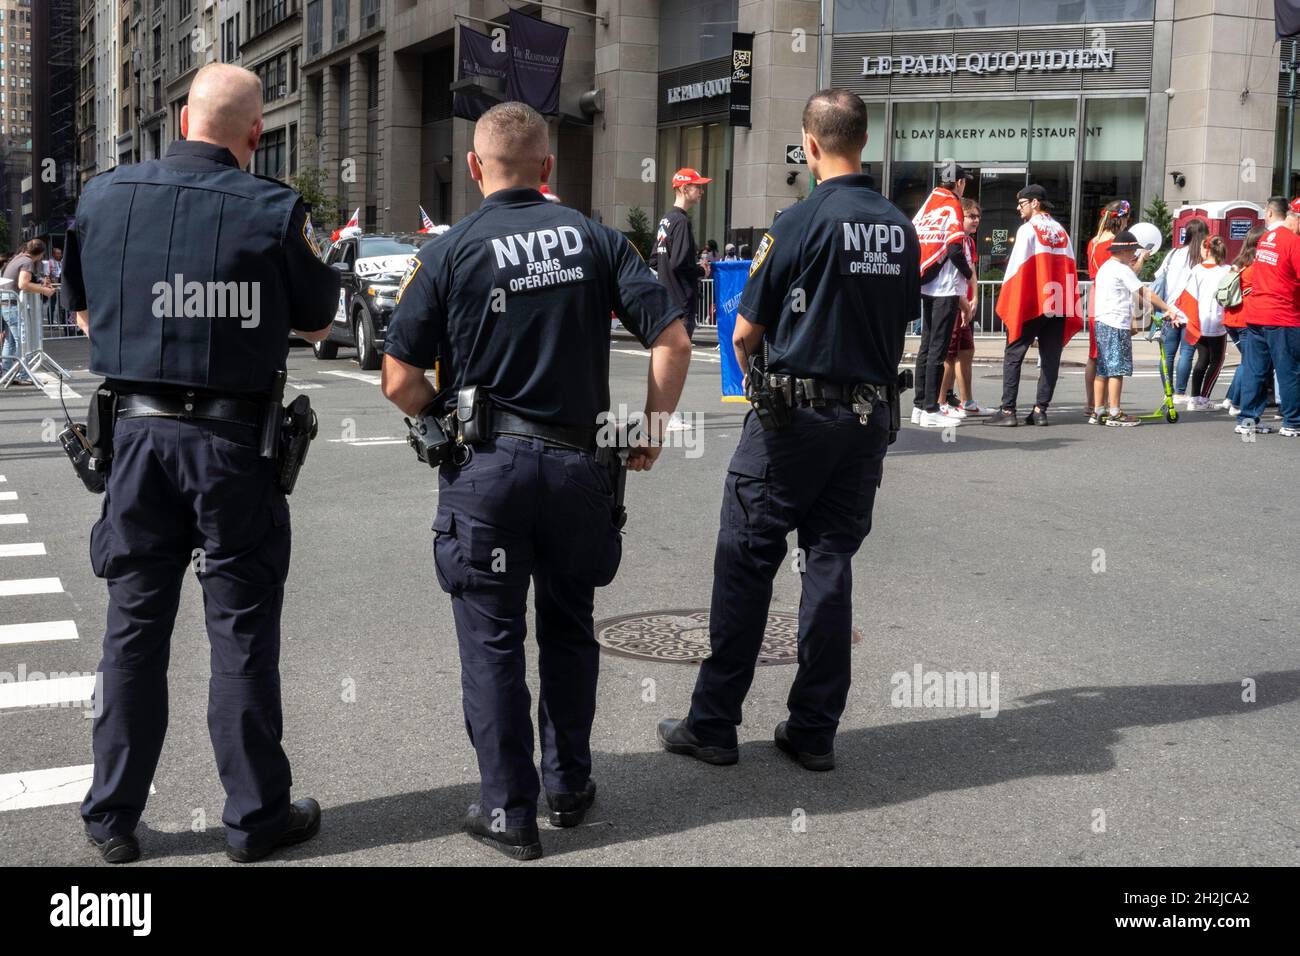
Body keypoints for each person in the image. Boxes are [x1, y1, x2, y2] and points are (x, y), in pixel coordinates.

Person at [381, 101, 692, 861]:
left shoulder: (451, 249)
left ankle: (507, 812)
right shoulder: (594, 238)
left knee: (491, 642)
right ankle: (571, 786)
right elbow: (674, 339)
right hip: (580, 470)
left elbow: (397, 378)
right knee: (569, 627)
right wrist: (649, 430)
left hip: (487, 474)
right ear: (548, 168)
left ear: (478, 166)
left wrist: (444, 425)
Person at [61, 62, 340, 864]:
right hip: (231, 446)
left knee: (134, 631)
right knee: (242, 636)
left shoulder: (104, 195)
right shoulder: (275, 207)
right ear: (257, 135)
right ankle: (255, 820)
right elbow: (321, 324)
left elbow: (81, 309)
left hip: (137, 441)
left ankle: (112, 817)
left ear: (183, 118)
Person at [657, 89, 919, 773]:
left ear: (810, 145)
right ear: (864, 140)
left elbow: (745, 331)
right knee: (829, 565)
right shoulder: (899, 227)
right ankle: (813, 729)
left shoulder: (801, 222)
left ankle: (713, 723)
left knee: (746, 564)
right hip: (866, 419)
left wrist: (759, 389)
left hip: (792, 419)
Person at [985, 185, 1081, 427]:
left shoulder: (1028, 230)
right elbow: (1069, 265)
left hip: (1034, 300)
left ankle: (1008, 411)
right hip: (1057, 300)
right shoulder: (1061, 231)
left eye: (1022, 203)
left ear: (1035, 203)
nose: (1018, 208)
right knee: (1050, 357)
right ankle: (1040, 410)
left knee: (1014, 353)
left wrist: (1010, 299)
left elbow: (1017, 268)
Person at [1089, 230, 1180, 426]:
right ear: (1125, 251)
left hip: (1103, 321)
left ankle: (1098, 411)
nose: (1134, 255)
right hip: (1115, 323)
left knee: (1103, 368)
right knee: (1117, 369)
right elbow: (1144, 291)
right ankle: (1115, 412)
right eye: (1132, 251)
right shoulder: (1121, 269)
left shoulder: (1106, 267)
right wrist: (1167, 308)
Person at [909, 164, 973, 428]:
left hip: (926, 282)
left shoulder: (929, 204)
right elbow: (955, 248)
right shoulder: (952, 205)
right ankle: (931, 408)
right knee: (938, 347)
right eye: (964, 181)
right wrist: (968, 274)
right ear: (958, 182)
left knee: (926, 347)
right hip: (945, 286)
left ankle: (918, 406)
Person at [1236, 196, 1300, 437]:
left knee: (1255, 369)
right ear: (1289, 216)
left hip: (1256, 313)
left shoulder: (1265, 239)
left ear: (1271, 214)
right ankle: (1292, 422)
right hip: (1282, 315)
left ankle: (1248, 420)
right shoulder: (1292, 242)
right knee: (1288, 370)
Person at [649, 167, 711, 343]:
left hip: (665, 302)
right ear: (684, 189)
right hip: (681, 304)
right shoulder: (682, 221)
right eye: (697, 187)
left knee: (666, 359)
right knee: (677, 363)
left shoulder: (666, 220)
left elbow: (654, 260)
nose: (701, 191)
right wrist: (700, 270)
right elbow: (679, 262)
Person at [939, 197, 987, 417]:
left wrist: (975, 297)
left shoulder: (969, 242)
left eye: (978, 216)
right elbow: (951, 275)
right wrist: (962, 301)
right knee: (949, 354)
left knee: (966, 351)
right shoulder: (955, 240)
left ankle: (966, 401)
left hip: (965, 303)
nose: (976, 220)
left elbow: (972, 271)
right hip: (954, 302)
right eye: (971, 216)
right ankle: (939, 403)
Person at [1153, 217, 1209, 404]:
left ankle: (1167, 392)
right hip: (1191, 313)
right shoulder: (1202, 258)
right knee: (1187, 353)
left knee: (1167, 355)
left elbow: (1158, 278)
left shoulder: (1173, 254)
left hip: (1169, 311)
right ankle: (1179, 392)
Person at [1084, 200, 1131, 415]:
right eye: (1126, 218)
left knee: (1095, 354)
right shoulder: (1114, 243)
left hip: (1095, 296)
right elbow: (1128, 276)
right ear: (1119, 219)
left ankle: (1092, 404)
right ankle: (1106, 406)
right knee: (1109, 357)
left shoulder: (1094, 241)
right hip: (1110, 300)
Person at [1178, 236, 1231, 410]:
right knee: (1217, 361)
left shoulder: (1197, 270)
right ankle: (1204, 397)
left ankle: (1194, 398)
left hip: (1199, 320)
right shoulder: (1227, 270)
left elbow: (1188, 296)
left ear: (1206, 250)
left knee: (1202, 360)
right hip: (1218, 320)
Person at [2, 239, 57, 384]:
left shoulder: (18, 258)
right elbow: (23, 284)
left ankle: (7, 373)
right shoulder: (27, 262)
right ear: (40, 254)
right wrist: (44, 290)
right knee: (21, 341)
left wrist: (39, 283)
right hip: (13, 305)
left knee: (11, 341)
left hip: (6, 304)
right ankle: (22, 375)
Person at [1221, 225, 1264, 415]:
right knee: (1250, 362)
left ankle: (1230, 398)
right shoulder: (1257, 266)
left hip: (1231, 317)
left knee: (1246, 360)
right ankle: (1236, 402)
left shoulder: (1239, 261)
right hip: (1246, 319)